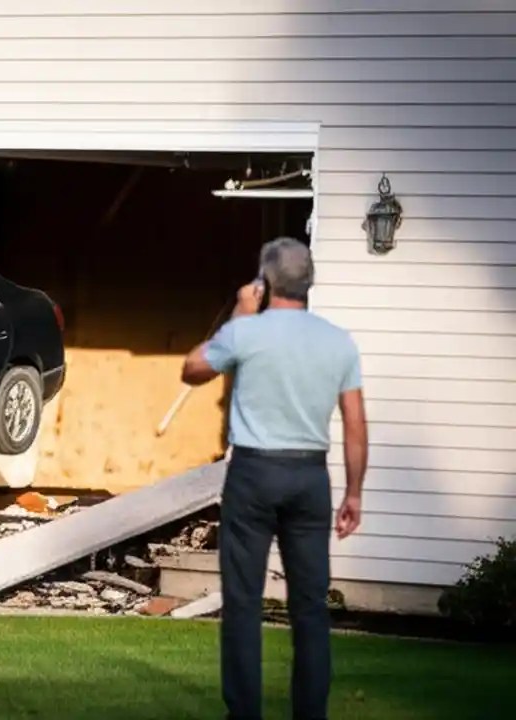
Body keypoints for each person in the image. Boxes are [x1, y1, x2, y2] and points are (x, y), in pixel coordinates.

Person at [180, 236, 368, 720]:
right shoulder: (338, 341)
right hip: (309, 477)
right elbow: (354, 423)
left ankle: (243, 714)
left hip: (254, 472)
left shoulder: (248, 332)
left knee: (243, 603)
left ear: (265, 284)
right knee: (310, 608)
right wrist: (354, 494)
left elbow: (193, 368)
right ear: (310, 283)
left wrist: (242, 312)